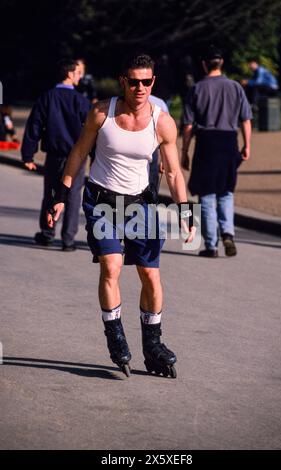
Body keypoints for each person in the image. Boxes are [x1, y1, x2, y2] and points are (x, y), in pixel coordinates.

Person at [48, 53, 196, 377]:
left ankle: (153, 344)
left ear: (152, 82)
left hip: (141, 204)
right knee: (111, 264)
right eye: (134, 81)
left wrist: (186, 211)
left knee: (150, 275)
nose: (140, 87)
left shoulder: (162, 121)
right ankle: (114, 334)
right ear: (123, 81)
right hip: (102, 199)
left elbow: (173, 172)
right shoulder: (103, 113)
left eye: (146, 81)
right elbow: (78, 152)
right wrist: (60, 196)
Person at [182, 46, 252, 258]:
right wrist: (247, 144)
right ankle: (228, 233)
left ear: (204, 64)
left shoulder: (196, 89)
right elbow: (245, 119)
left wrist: (184, 151)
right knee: (226, 191)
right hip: (229, 141)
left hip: (206, 143)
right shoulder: (236, 87)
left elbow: (187, 125)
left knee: (207, 194)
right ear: (221, 63)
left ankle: (211, 244)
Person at [21, 59, 91, 251]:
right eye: (77, 73)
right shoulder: (81, 101)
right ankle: (68, 239)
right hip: (77, 157)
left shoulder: (47, 97)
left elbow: (34, 126)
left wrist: (28, 155)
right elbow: (92, 130)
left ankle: (47, 233)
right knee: (73, 196)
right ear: (69, 74)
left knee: (51, 193)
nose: (79, 76)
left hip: (54, 155)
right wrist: (94, 156)